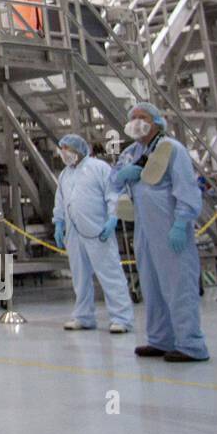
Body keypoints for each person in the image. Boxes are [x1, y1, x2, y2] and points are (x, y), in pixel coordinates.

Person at [111, 102, 208, 362]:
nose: (136, 122)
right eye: (133, 118)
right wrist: (121, 176)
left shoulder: (171, 149)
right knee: (151, 284)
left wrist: (181, 223)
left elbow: (186, 189)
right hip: (143, 227)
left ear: (156, 122)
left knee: (178, 285)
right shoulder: (132, 152)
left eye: (142, 117)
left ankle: (191, 344)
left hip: (169, 226)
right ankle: (160, 339)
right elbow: (114, 178)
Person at [52, 134, 134, 334]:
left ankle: (121, 317)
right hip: (74, 232)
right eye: (61, 149)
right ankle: (83, 316)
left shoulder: (99, 168)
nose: (64, 154)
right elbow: (60, 200)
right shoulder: (64, 174)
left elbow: (113, 194)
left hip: (98, 230)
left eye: (67, 149)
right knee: (79, 277)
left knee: (110, 273)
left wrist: (113, 218)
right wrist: (59, 222)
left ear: (78, 150)